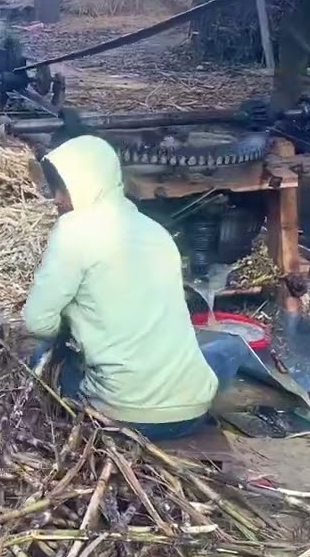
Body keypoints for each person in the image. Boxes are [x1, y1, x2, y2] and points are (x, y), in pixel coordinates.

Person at [23, 134, 223, 441]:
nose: (58, 199)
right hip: (192, 411)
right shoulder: (156, 232)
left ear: (86, 184)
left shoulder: (74, 231)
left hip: (123, 415)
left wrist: (66, 325)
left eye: (63, 188)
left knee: (43, 353)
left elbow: (36, 321)